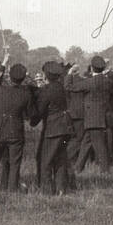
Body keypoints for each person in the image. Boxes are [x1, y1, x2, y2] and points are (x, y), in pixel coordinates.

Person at [0, 63, 36, 192]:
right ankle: (12, 189)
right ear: (23, 78)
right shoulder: (26, 94)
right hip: (16, 131)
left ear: (10, 76)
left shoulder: (0, 90)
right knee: (14, 164)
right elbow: (30, 114)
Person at [70, 56, 113, 174]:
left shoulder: (88, 82)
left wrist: (70, 74)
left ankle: (105, 170)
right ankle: (78, 168)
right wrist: (109, 73)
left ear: (91, 68)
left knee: (99, 144)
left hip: (92, 118)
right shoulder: (109, 81)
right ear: (104, 68)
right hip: (103, 117)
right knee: (86, 143)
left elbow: (70, 87)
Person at [31, 61, 73, 194]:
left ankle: (46, 191)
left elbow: (39, 111)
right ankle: (61, 189)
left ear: (46, 75)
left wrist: (32, 120)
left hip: (53, 128)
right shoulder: (61, 88)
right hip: (65, 127)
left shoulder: (46, 91)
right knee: (60, 159)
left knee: (45, 160)